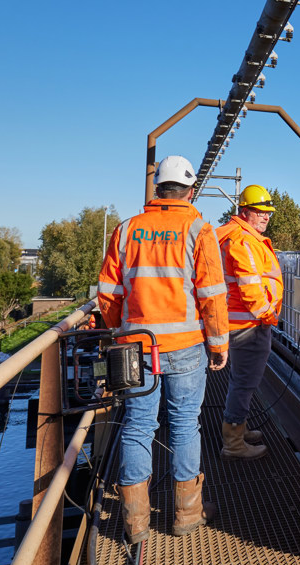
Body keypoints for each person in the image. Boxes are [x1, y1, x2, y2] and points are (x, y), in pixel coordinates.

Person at [98, 155, 230, 543]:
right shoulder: (198, 229)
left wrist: (120, 330)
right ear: (190, 191)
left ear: (158, 190)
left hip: (137, 348)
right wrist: (218, 343)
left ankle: (135, 523)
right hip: (187, 347)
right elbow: (211, 295)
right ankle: (187, 513)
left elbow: (108, 293)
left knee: (138, 426)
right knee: (185, 425)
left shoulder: (126, 230)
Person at [215, 184, 284, 459]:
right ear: (244, 212)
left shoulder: (232, 234)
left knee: (239, 380)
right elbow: (249, 285)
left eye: (268, 212)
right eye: (259, 212)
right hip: (249, 325)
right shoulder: (243, 240)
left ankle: (238, 428)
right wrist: (267, 315)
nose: (265, 217)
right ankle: (233, 443)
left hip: (236, 321)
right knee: (244, 382)